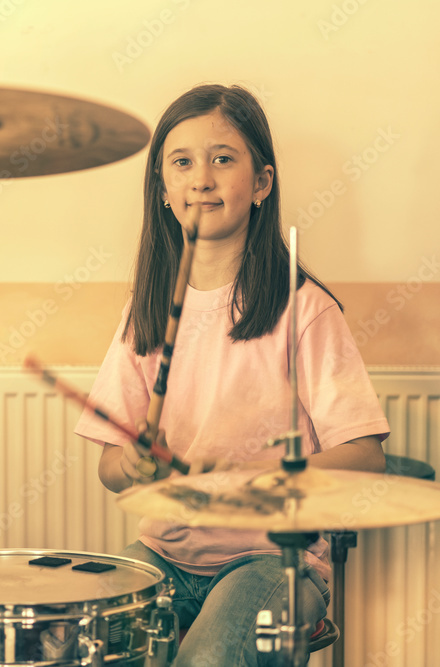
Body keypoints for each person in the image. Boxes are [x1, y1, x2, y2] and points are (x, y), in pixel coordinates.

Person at [74, 84, 390, 666]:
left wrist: (259, 478)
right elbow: (111, 467)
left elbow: (366, 455)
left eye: (223, 159)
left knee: (207, 659)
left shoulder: (304, 306)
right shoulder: (146, 310)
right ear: (164, 190)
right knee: (92, 646)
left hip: (275, 561)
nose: (202, 178)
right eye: (183, 162)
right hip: (164, 551)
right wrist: (134, 463)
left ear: (262, 183)